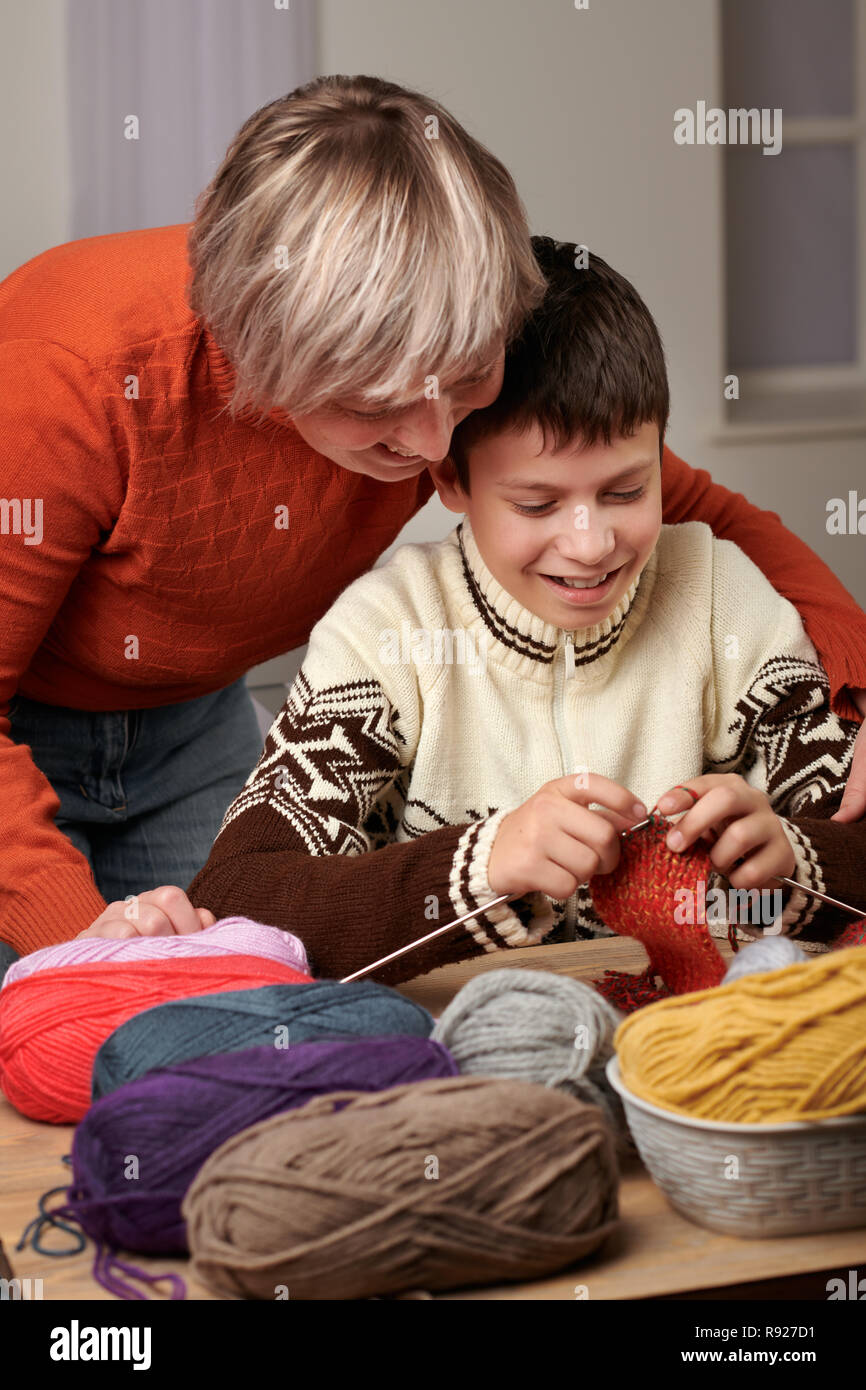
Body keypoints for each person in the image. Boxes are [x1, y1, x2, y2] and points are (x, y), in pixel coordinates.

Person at [4, 78, 866, 958]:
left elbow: (693, 509)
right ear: (263, 361)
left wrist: (861, 690)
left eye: (464, 377)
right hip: (25, 727)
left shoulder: (462, 361)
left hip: (194, 715)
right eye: (374, 404)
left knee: (222, 988)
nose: (433, 441)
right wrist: (80, 954)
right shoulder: (62, 375)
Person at [180, 238, 866, 982]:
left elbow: (849, 847)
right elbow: (236, 900)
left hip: (680, 1061)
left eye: (627, 491)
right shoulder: (387, 631)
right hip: (450, 1059)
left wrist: (794, 860)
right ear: (450, 478)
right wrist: (478, 868)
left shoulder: (720, 598)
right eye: (537, 503)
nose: (590, 543)